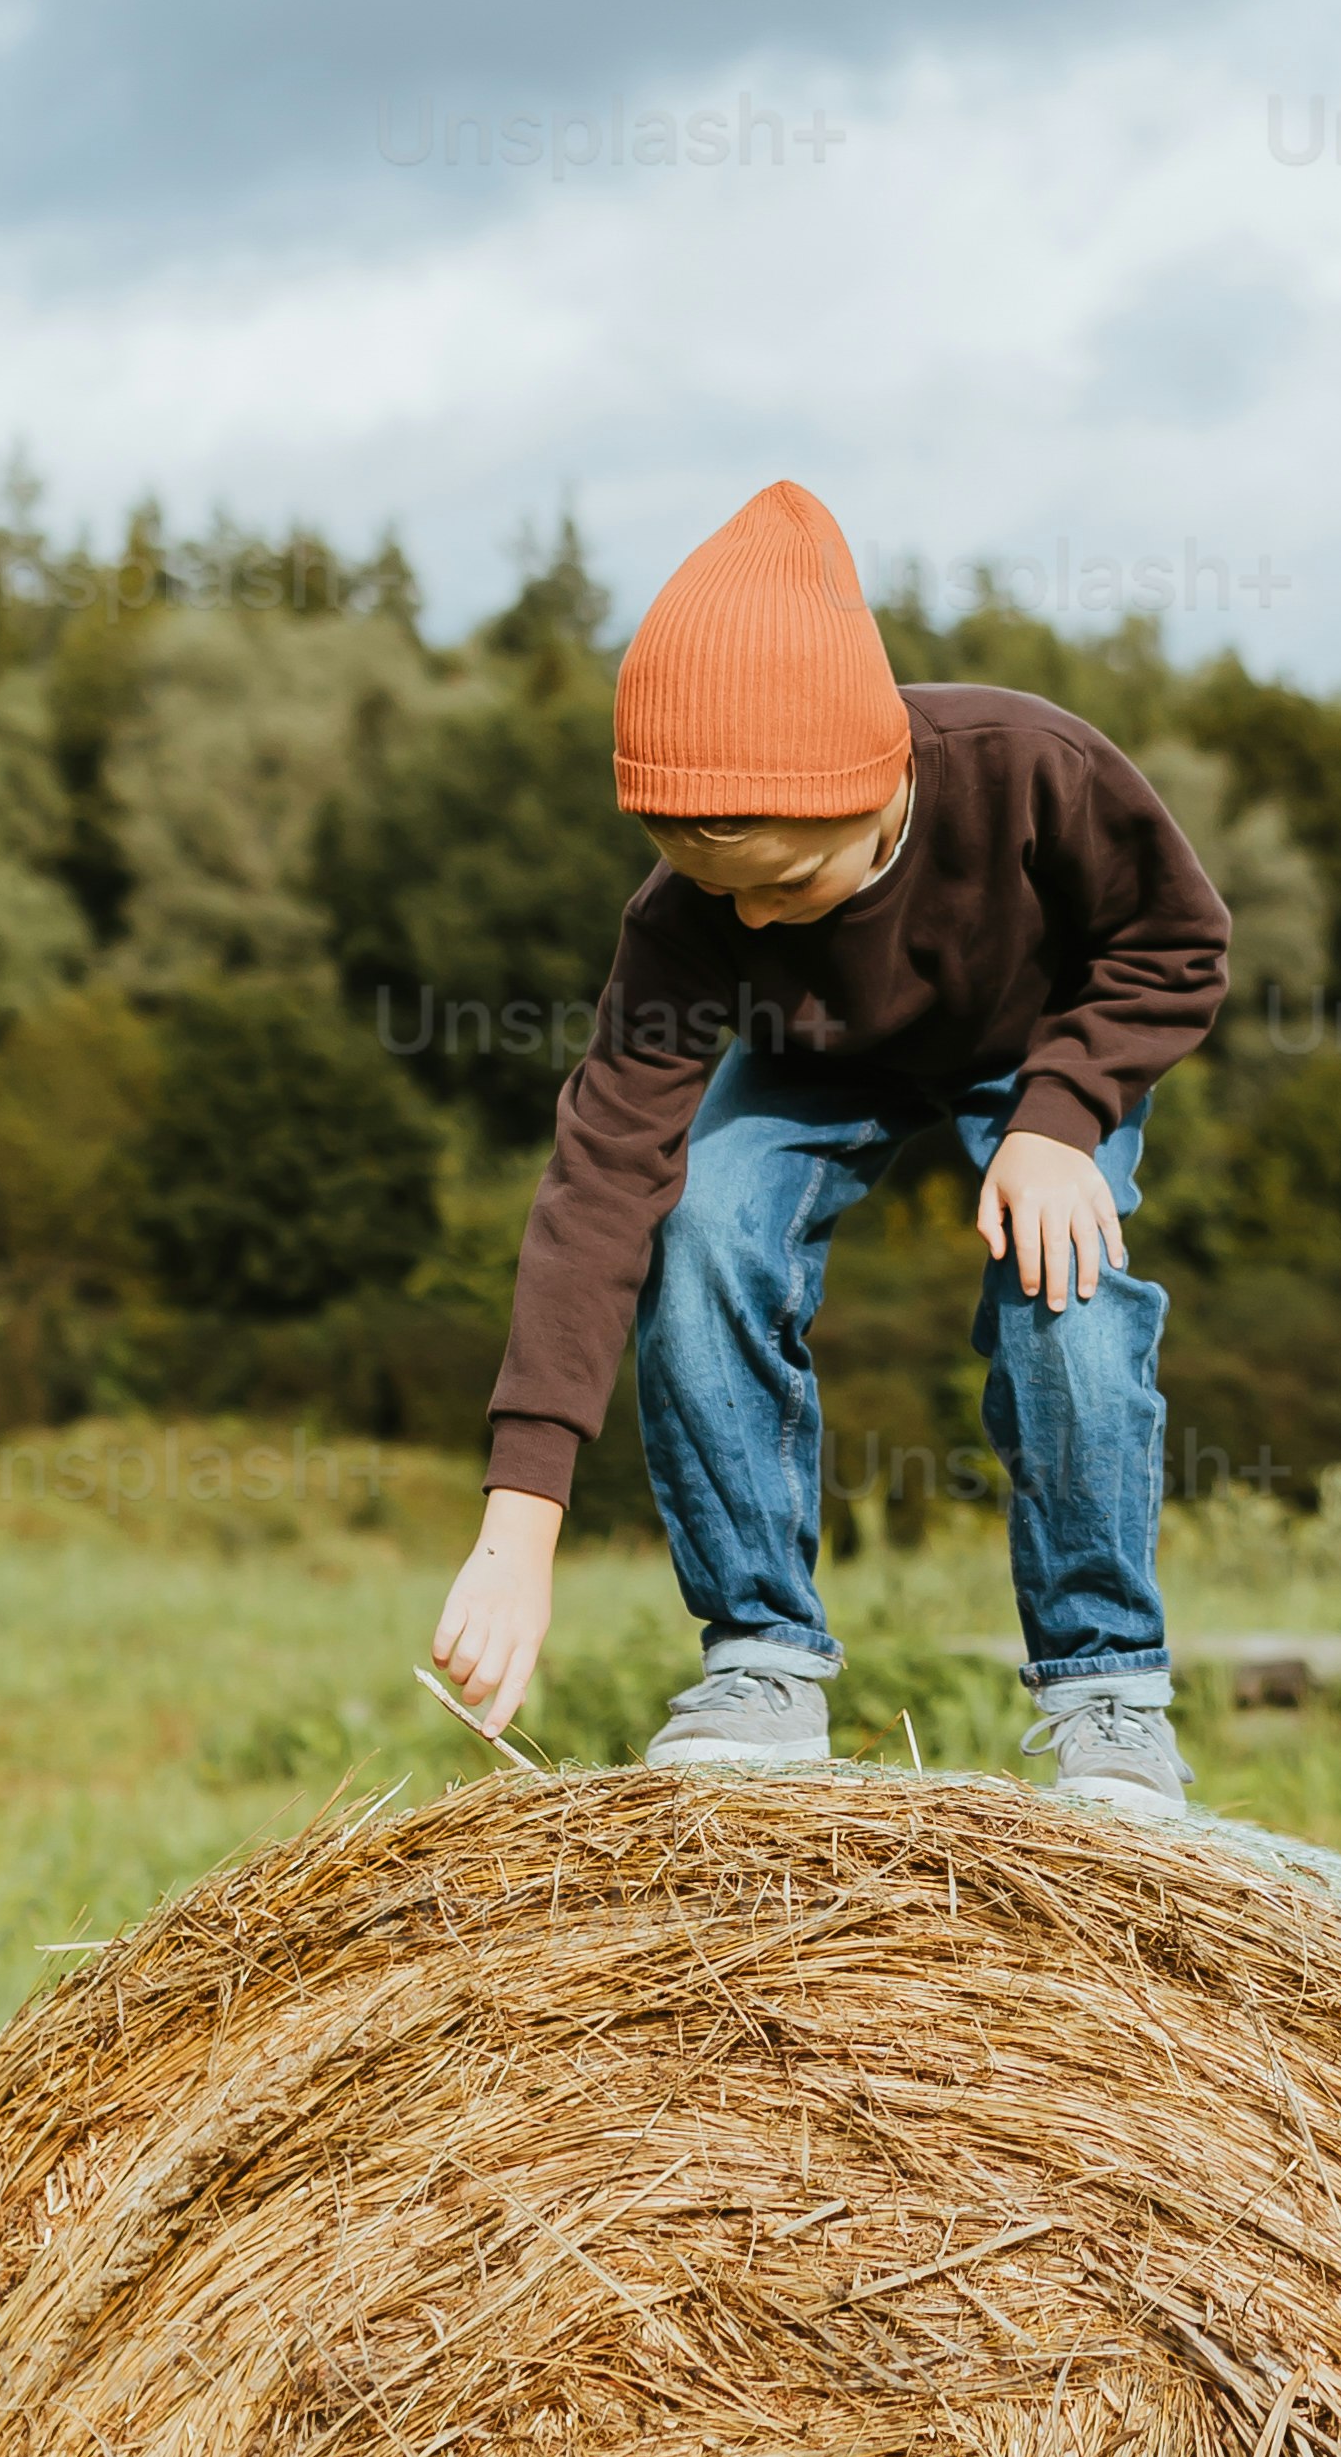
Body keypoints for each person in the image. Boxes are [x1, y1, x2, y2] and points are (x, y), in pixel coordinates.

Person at [428, 478, 1230, 1812]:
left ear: (882, 781)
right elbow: (597, 1186)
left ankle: (1109, 1695)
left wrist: (1061, 1118)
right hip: (815, 1069)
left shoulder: (1030, 768)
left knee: (1065, 1289)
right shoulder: (695, 921)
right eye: (717, 897)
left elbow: (1174, 945)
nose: (748, 929)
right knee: (699, 1229)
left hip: (1041, 1056)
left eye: (786, 889)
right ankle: (761, 1663)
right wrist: (521, 1523)